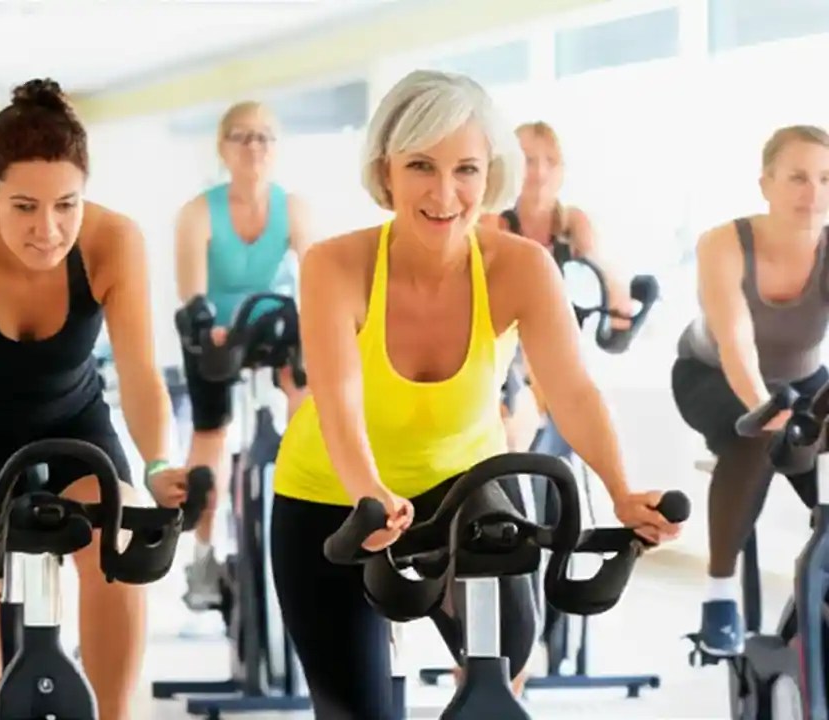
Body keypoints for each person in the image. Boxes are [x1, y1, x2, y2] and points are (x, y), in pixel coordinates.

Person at [268, 69, 684, 719]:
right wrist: (368, 493)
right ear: (386, 172)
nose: (444, 193)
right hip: (335, 499)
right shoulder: (334, 265)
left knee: (506, 666)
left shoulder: (520, 266)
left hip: (461, 492)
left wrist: (623, 491)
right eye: (420, 166)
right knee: (356, 710)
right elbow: (339, 398)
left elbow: (572, 390)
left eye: (465, 168)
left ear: (490, 172)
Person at [0, 78, 191, 720]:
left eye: (66, 205)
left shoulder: (116, 241)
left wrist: (161, 464)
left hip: (73, 427)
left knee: (118, 532)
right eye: (25, 206)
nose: (48, 230)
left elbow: (141, 375)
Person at [673, 124, 829, 656]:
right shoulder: (724, 242)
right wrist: (769, 411)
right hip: (712, 376)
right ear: (766, 183)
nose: (813, 194)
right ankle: (720, 598)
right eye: (798, 178)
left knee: (819, 463)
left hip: (807, 382)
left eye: (827, 179)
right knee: (757, 440)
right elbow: (736, 341)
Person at [173, 100, 313, 609]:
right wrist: (211, 329)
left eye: (263, 137)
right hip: (219, 340)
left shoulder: (293, 208)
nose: (253, 147)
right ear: (223, 147)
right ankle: (203, 554)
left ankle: (305, 513)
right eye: (241, 137)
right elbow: (192, 299)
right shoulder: (198, 213)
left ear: (275, 149)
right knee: (211, 436)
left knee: (308, 395)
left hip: (275, 330)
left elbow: (316, 280)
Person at [485, 121, 632, 457]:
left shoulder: (573, 224)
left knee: (591, 422)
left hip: (558, 353)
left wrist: (620, 304)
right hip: (511, 353)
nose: (538, 172)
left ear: (562, 170)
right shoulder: (495, 223)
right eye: (528, 161)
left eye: (550, 161)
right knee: (515, 428)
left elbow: (605, 276)